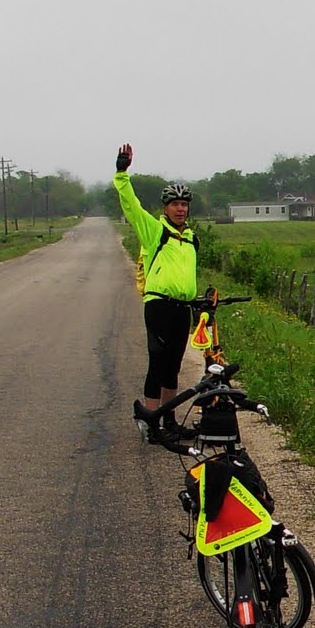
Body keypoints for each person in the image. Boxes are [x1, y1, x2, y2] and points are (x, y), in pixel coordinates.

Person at [115, 143, 199, 440]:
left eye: (184, 204)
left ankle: (170, 422)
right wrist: (122, 173)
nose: (180, 209)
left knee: (174, 366)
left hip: (182, 308)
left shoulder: (190, 239)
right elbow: (131, 208)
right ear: (165, 208)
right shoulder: (155, 231)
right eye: (175, 204)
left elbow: (185, 276)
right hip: (160, 306)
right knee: (158, 361)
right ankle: (151, 423)